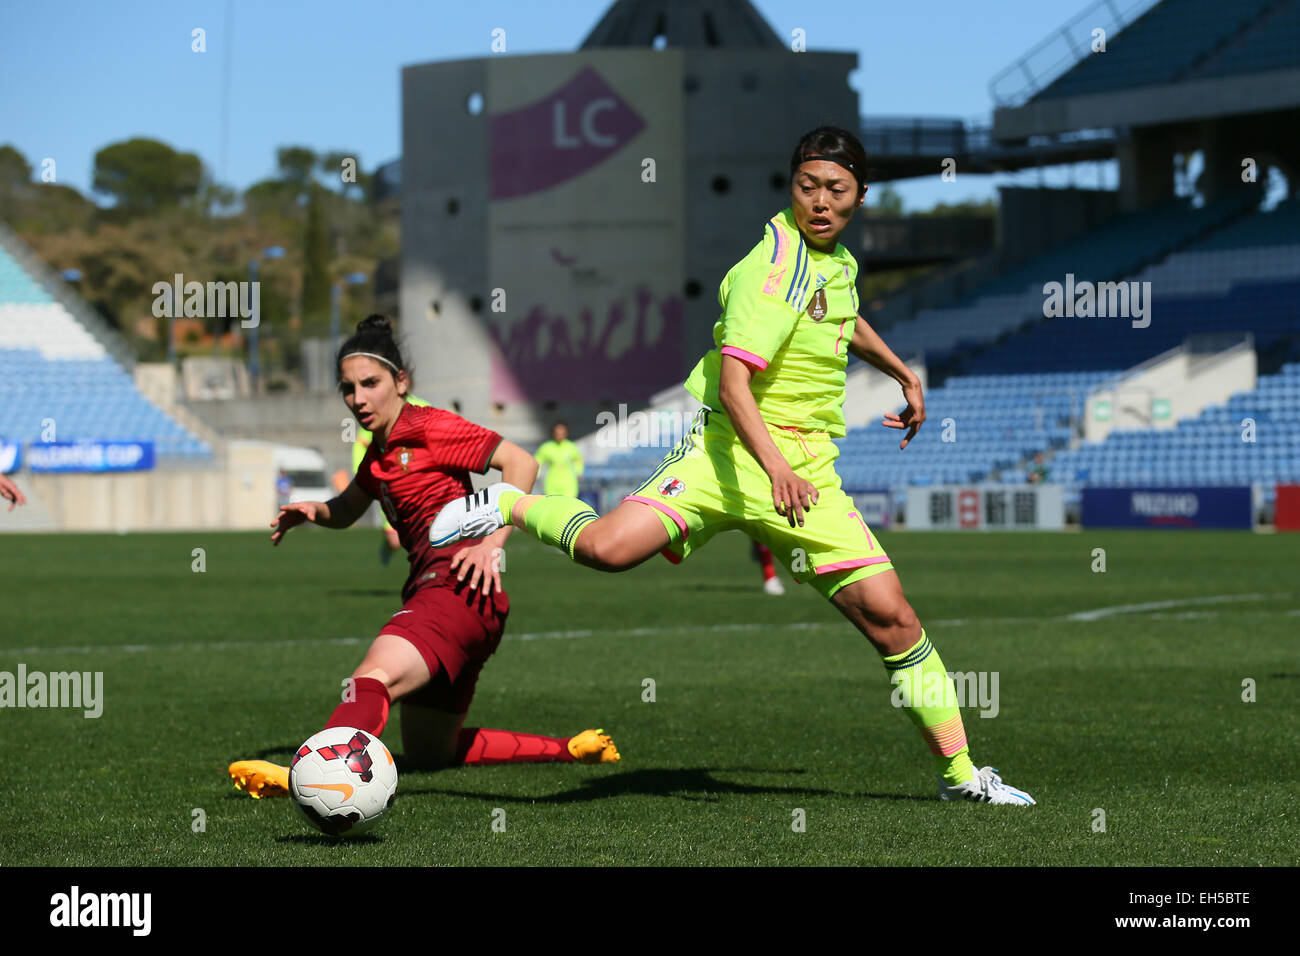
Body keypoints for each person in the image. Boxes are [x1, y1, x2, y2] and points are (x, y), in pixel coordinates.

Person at [431, 128, 1033, 804]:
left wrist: (901, 373)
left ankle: (962, 779)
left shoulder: (835, 263)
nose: (821, 202)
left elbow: (842, 314)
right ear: (791, 188)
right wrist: (774, 466)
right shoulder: (769, 270)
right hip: (730, 459)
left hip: (808, 475)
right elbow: (733, 387)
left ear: (861, 195)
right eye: (808, 187)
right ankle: (507, 503)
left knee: (895, 619)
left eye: (836, 189)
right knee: (605, 550)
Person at [228, 315, 618, 799]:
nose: (358, 398)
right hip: (469, 601)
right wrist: (313, 511)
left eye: (370, 383)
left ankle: (310, 774)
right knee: (431, 753)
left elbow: (521, 462)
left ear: (401, 381)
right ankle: (572, 749)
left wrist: (490, 543)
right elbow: (349, 509)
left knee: (370, 679)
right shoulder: (378, 453)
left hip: (454, 587)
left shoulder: (428, 426)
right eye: (348, 388)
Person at [353, 392, 433, 566]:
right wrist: (361, 472)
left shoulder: (422, 406)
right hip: (389, 482)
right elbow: (362, 441)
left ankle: (425, 576)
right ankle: (389, 546)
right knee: (395, 541)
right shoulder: (380, 410)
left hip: (419, 482)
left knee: (427, 538)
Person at [533, 421, 584, 498]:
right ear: (553, 433)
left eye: (562, 433)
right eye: (557, 433)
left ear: (566, 433)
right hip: (552, 482)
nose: (560, 435)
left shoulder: (571, 446)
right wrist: (537, 474)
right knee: (553, 504)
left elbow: (578, 460)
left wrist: (579, 471)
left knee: (569, 505)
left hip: (569, 482)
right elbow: (537, 460)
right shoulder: (547, 447)